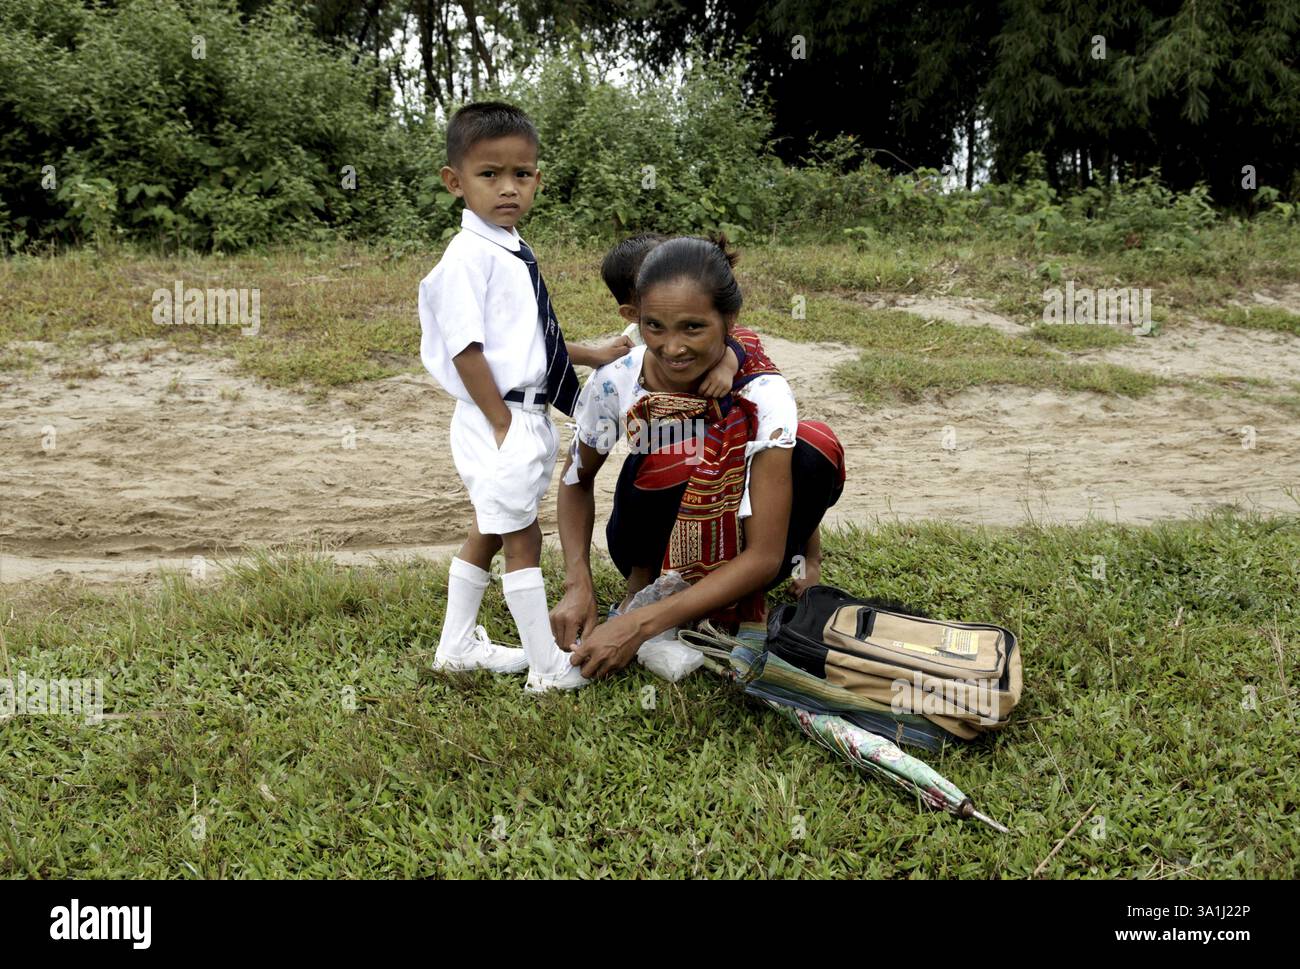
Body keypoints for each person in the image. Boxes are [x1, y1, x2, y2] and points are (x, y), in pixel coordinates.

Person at [550, 236, 846, 680]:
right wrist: (578, 582)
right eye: (654, 327)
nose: (672, 348)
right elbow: (577, 479)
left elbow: (765, 556)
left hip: (745, 549)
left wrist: (638, 625)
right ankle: (647, 585)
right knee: (671, 448)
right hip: (647, 542)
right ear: (635, 319)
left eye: (693, 327)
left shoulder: (761, 393)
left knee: (815, 446)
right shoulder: (616, 382)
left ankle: (728, 601)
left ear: (729, 320)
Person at [418, 101, 629, 693]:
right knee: (522, 536)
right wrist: (499, 421)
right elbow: (467, 349)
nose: (508, 188)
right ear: (455, 182)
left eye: (523, 174)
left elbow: (529, 338)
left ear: (538, 176)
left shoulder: (509, 246)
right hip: (501, 415)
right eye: (489, 175)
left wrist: (591, 354)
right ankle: (546, 666)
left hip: (522, 411)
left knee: (491, 526)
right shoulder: (467, 258)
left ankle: (456, 646)